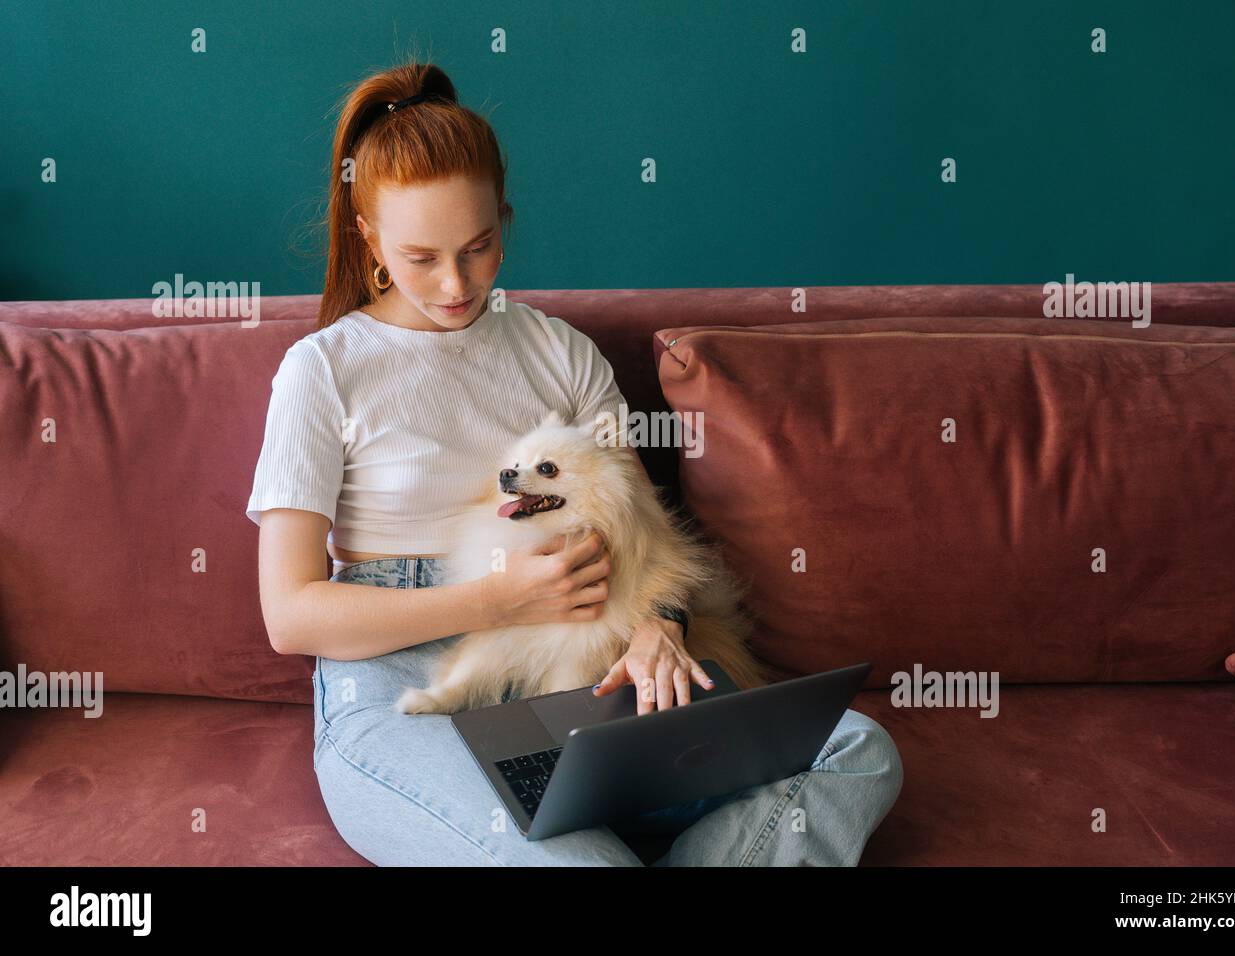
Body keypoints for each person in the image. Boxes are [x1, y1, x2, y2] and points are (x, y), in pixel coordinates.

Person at [245, 61, 903, 866]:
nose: (456, 285)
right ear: (368, 236)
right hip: (398, 680)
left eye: (480, 246)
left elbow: (646, 542)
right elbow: (292, 615)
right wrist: (496, 600)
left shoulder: (561, 355)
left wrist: (661, 626)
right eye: (421, 258)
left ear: (505, 219)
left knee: (855, 749)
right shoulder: (324, 369)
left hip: (576, 654)